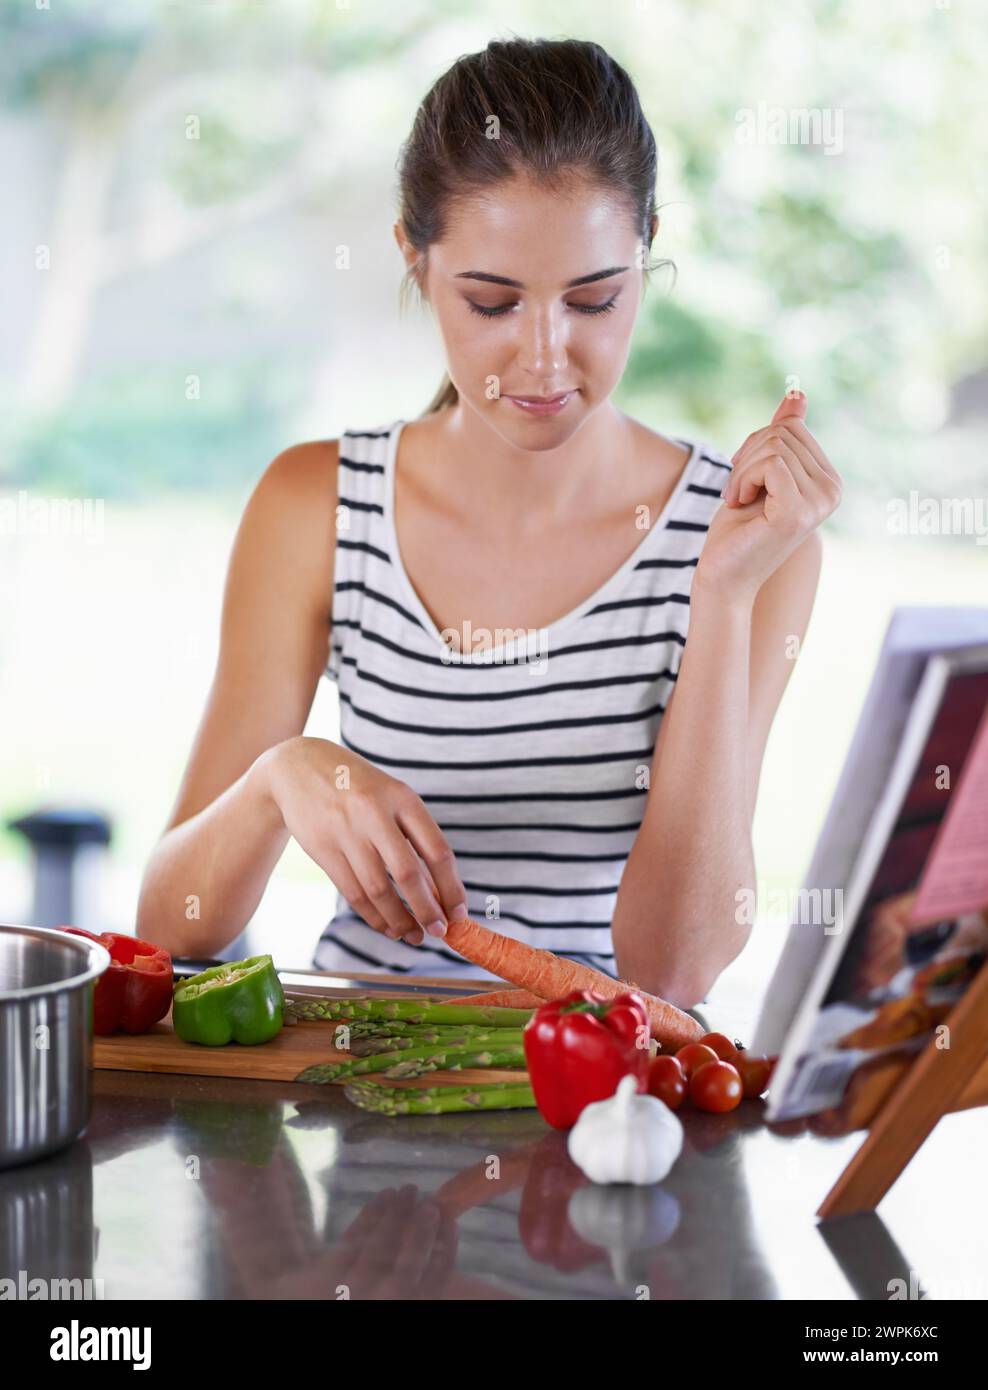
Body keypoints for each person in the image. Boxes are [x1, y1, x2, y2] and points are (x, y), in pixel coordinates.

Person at [138, 37, 841, 1005]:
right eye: (492, 302)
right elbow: (167, 926)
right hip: (357, 1069)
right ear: (414, 257)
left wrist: (719, 596)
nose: (544, 359)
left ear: (647, 247)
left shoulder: (749, 538)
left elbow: (674, 970)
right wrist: (278, 780)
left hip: (607, 1083)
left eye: (594, 299)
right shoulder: (317, 504)